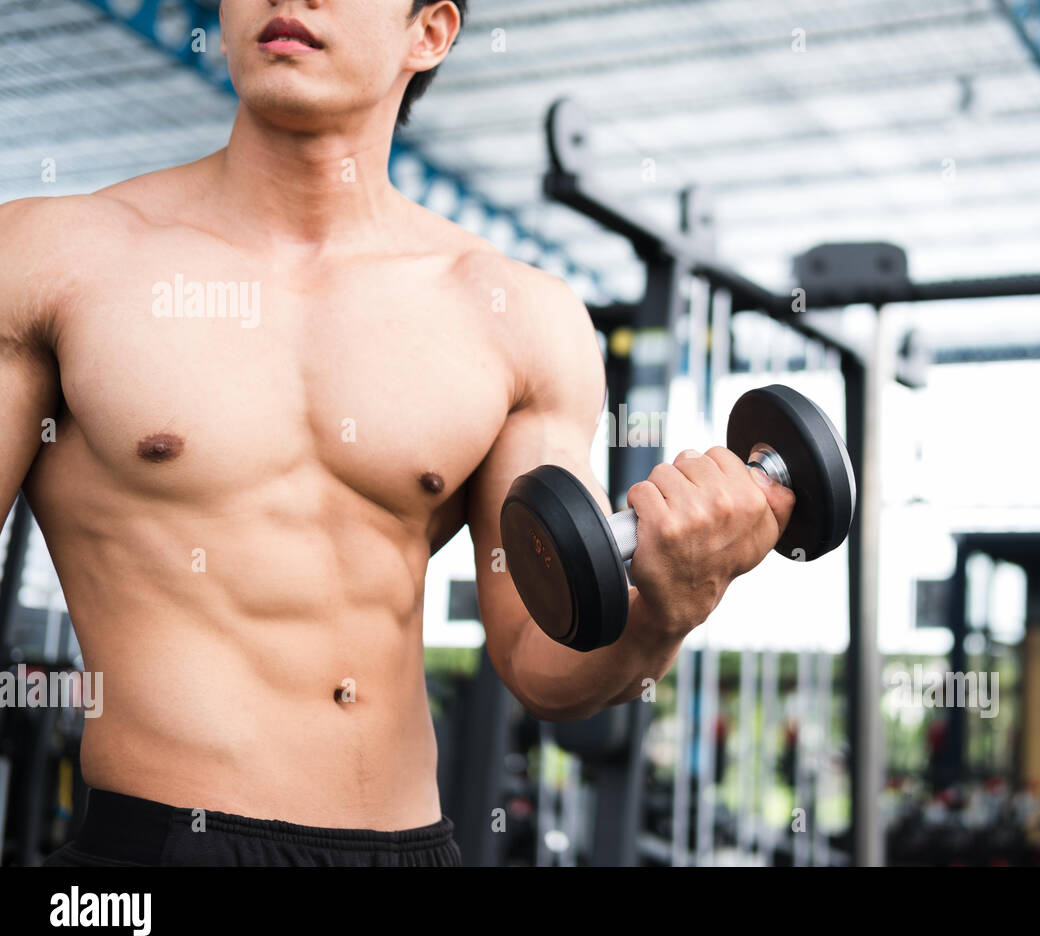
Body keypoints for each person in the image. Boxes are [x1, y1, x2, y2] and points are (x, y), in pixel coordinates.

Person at [0, 0, 792, 866]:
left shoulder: (517, 316)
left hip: (410, 847)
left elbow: (543, 664)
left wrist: (665, 616)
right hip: (152, 855)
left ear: (431, 32)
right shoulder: (53, 259)